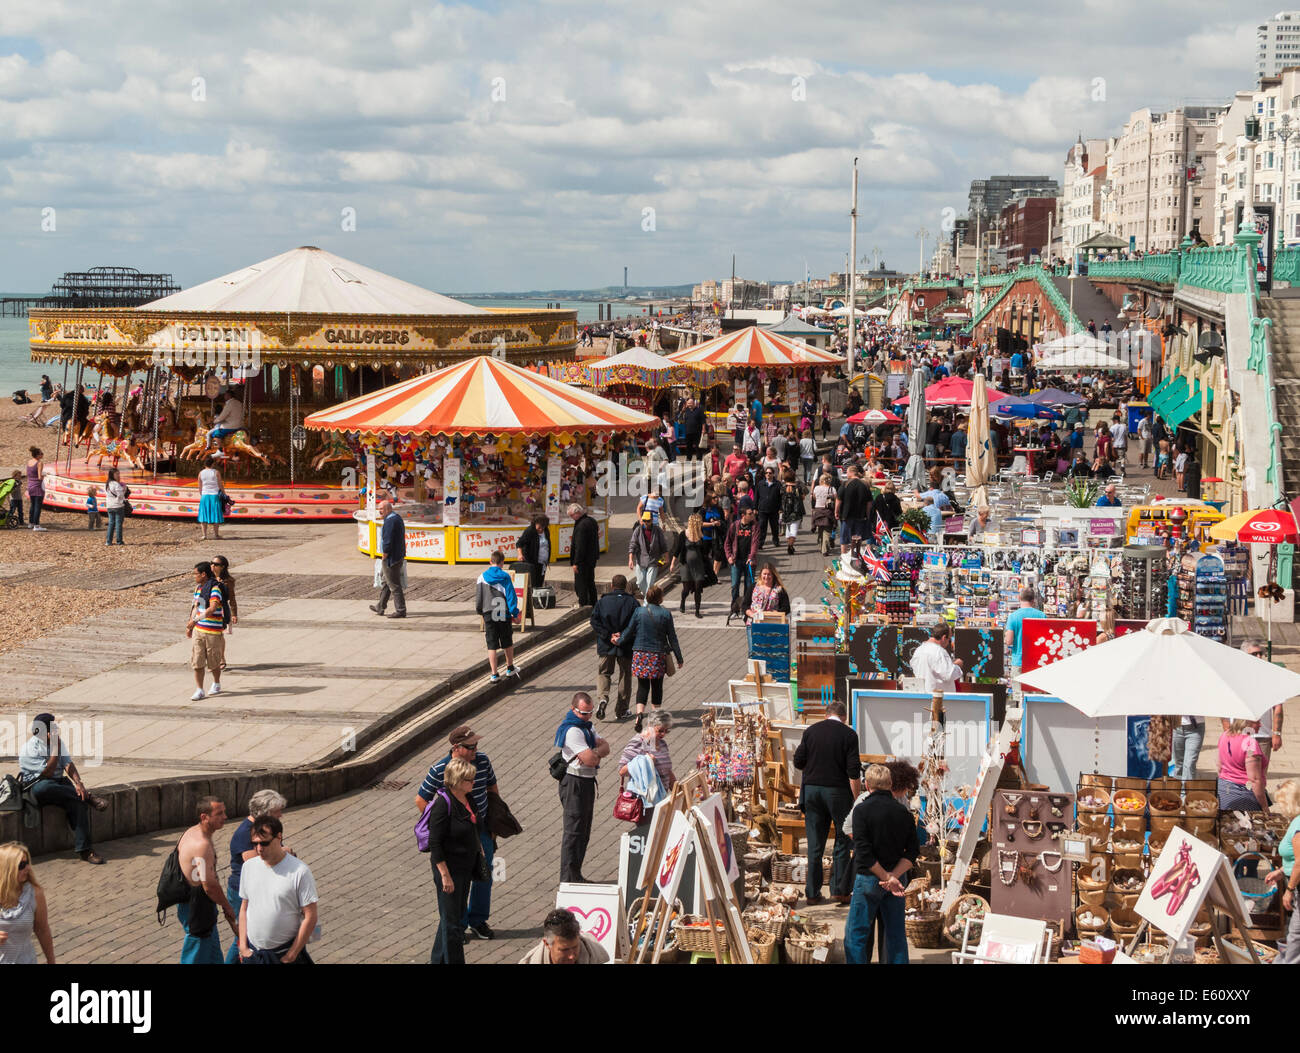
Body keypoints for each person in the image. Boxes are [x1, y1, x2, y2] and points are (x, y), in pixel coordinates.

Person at [416, 726, 500, 941]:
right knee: (459, 882)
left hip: (479, 829)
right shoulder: (439, 769)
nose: (475, 750)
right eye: (471, 747)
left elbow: (492, 789)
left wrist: (491, 823)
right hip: (455, 838)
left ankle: (478, 920)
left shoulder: (482, 761)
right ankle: (458, 926)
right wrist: (443, 826)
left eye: (476, 745)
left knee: (483, 874)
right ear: (456, 748)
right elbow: (421, 800)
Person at [843, 764, 918, 965]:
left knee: (856, 935)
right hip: (896, 881)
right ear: (890, 784)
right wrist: (893, 876)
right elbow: (913, 852)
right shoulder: (904, 813)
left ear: (867, 785)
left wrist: (886, 877)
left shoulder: (861, 810)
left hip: (869, 878)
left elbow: (864, 853)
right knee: (896, 936)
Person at [793, 700, 862, 905]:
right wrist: (857, 799)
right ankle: (839, 890)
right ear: (844, 718)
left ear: (826, 715)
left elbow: (798, 761)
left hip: (812, 791)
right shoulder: (849, 735)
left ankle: (812, 893)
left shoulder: (811, 731)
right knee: (842, 839)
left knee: (815, 843)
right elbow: (853, 771)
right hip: (837, 793)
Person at [17, 715, 105, 864]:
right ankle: (90, 797)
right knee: (46, 787)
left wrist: (79, 783)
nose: (57, 729)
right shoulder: (29, 748)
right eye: (53, 727)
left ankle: (85, 851)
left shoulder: (57, 742)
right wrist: (55, 747)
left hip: (60, 786)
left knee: (78, 802)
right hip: (37, 787)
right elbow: (47, 773)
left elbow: (68, 764)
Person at [236, 815, 318, 964]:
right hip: (254, 955)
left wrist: (292, 954)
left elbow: (310, 915)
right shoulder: (248, 867)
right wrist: (243, 945)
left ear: (279, 837)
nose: (259, 849)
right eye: (255, 844)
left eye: (265, 843)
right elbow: (244, 908)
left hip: (283, 956)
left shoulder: (299, 871)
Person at [424, 756, 482, 964]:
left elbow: (475, 825)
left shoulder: (468, 798)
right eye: (469, 780)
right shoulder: (443, 805)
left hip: (465, 869)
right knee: (453, 925)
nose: (473, 783)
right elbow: (435, 843)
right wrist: (445, 876)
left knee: (452, 918)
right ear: (457, 781)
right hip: (448, 871)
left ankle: (436, 960)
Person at [223, 788, 288, 964]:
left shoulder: (265, 829)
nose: (281, 815)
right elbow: (253, 862)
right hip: (242, 892)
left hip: (259, 890)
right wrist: (284, 852)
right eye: (277, 812)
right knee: (244, 936)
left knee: (248, 936)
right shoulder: (245, 833)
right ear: (265, 812)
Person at [555, 693, 609, 883]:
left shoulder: (588, 726)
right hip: (574, 783)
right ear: (573, 709)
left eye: (590, 712)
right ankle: (568, 878)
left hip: (586, 782)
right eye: (583, 713)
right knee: (573, 831)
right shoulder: (573, 731)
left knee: (584, 830)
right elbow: (592, 760)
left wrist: (594, 752)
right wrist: (595, 753)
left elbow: (605, 748)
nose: (587, 717)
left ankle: (575, 874)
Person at [176, 796, 238, 964]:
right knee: (196, 953)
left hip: (198, 904)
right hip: (197, 906)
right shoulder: (202, 844)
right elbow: (209, 885)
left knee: (212, 955)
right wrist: (227, 905)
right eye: (219, 813)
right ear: (204, 817)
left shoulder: (193, 831)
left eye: (224, 812)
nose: (225, 817)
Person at [622, 585, 683, 733]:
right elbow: (672, 638)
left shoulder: (639, 611)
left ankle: (638, 715)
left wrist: (619, 640)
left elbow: (629, 631)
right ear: (660, 598)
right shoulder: (665, 614)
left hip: (640, 654)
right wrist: (679, 657)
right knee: (657, 687)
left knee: (642, 686)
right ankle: (654, 720)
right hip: (657, 655)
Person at [1224, 641, 1285, 761]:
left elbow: (1278, 707)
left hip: (1262, 736)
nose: (1258, 657)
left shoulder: (1270, 677)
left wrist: (1277, 733)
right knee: (1239, 773)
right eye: (1254, 654)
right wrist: (1227, 730)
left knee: (1259, 776)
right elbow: (1224, 704)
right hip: (1238, 734)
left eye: (1260, 653)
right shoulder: (1232, 677)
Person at [590, 574, 637, 720]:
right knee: (625, 675)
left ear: (612, 586)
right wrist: (622, 636)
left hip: (606, 645)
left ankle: (603, 698)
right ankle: (621, 710)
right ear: (626, 586)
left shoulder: (603, 601)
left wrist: (609, 635)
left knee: (604, 673)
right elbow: (636, 624)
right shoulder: (632, 602)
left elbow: (594, 621)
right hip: (625, 645)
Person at [0, 842, 56, 964]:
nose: (28, 868)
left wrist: (51, 960)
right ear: (7, 868)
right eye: (21, 865)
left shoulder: (34, 894)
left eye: (27, 863)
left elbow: (42, 930)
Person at [1266, 779, 1300, 964]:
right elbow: (1294, 859)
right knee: (1294, 933)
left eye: (1281, 803)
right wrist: (1281, 871)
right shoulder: (1296, 822)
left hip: (1298, 886)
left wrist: (1289, 890)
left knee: (1295, 935)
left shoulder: (1298, 827)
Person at [475, 549, 519, 683]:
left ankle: (494, 674)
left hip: (488, 612)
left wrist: (480, 611)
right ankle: (510, 667)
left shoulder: (481, 577)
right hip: (502, 611)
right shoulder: (505, 577)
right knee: (506, 640)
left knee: (492, 644)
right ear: (502, 563)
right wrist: (515, 613)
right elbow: (511, 596)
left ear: (490, 562)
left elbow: (479, 598)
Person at [187, 561, 225, 700]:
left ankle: (216, 682)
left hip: (212, 632)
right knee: (197, 661)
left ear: (203, 574)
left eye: (196, 574)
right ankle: (199, 689)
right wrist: (190, 625)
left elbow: (212, 608)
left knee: (214, 661)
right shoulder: (199, 588)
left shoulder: (215, 588)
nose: (194, 576)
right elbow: (197, 607)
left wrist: (195, 621)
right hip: (199, 630)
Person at [519, 908, 610, 964]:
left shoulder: (593, 954)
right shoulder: (531, 961)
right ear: (547, 944)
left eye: (575, 947)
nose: (571, 956)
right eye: (564, 950)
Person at [618, 709, 676, 797]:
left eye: (666, 731)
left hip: (660, 797)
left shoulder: (662, 744)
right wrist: (646, 761)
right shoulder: (638, 742)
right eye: (660, 731)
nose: (663, 734)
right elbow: (622, 771)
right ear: (650, 726)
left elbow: (667, 771)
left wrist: (678, 790)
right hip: (642, 800)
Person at [1217, 719, 1269, 811]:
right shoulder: (1250, 743)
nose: (1260, 725)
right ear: (1247, 723)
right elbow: (1255, 780)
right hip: (1243, 797)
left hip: (1223, 792)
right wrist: (1265, 807)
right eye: (1257, 722)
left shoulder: (1225, 735)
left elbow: (1219, 766)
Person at [368, 499, 407, 618]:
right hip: (397, 555)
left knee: (394, 584)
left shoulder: (390, 521)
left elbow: (388, 540)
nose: (380, 511)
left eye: (382, 509)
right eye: (379, 509)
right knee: (386, 582)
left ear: (388, 509)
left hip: (391, 558)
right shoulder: (396, 517)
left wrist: (384, 555)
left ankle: (401, 610)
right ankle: (380, 606)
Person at [670, 513, 711, 619]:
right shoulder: (683, 534)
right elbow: (678, 550)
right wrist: (672, 563)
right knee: (686, 589)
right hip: (686, 566)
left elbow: (704, 552)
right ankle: (683, 601)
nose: (701, 525)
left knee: (698, 588)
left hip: (699, 566)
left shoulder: (700, 535)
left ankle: (697, 611)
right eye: (699, 523)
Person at [724, 506, 760, 624]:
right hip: (736, 561)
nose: (752, 515)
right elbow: (727, 543)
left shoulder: (755, 526)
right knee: (735, 585)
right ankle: (734, 608)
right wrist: (729, 556)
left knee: (749, 586)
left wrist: (751, 557)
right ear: (743, 515)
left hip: (749, 562)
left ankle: (746, 610)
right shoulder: (734, 526)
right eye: (750, 513)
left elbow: (755, 543)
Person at [910, 623, 964, 696]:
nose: (948, 643)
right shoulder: (939, 652)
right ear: (944, 637)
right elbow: (949, 675)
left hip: (923, 695)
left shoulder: (919, 650)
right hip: (938, 698)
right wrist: (957, 665)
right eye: (949, 639)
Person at [628, 510, 668, 599]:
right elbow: (632, 544)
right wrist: (630, 559)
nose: (646, 523)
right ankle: (650, 598)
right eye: (644, 520)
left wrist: (666, 557)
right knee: (641, 582)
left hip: (653, 561)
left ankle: (647, 603)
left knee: (650, 584)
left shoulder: (657, 530)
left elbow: (663, 545)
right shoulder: (638, 530)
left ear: (652, 520)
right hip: (641, 561)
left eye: (648, 521)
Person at [1003, 586, 1043, 675]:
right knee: (1034, 689)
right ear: (1033, 600)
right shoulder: (1041, 616)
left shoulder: (1013, 616)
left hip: (1018, 661)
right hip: (1037, 661)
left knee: (1018, 689)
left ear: (1019, 598)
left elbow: (1008, 641)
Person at [836, 463, 873, 555]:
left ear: (851, 473)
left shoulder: (845, 484)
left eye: (847, 472)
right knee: (857, 537)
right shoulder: (865, 485)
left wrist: (836, 511)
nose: (846, 474)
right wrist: (867, 514)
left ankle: (843, 556)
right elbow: (869, 502)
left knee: (844, 538)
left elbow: (838, 499)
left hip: (846, 515)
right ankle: (855, 555)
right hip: (860, 515)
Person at [568, 503, 599, 607]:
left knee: (581, 583)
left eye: (572, 515)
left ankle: (583, 602)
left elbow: (580, 546)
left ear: (577, 513)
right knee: (590, 581)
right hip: (592, 558)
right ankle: (593, 601)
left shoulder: (581, 525)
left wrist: (576, 562)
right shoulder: (591, 521)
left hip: (583, 560)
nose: (572, 518)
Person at [211, 555, 237, 670]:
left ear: (222, 567)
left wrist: (234, 613)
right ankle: (212, 658)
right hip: (208, 608)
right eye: (211, 563)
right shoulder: (207, 577)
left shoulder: (228, 581)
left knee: (219, 635)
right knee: (209, 634)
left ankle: (221, 658)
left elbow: (232, 598)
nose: (212, 566)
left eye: (216, 564)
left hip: (221, 610)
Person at [515, 514, 551, 589]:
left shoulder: (546, 531)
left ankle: (538, 598)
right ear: (535, 523)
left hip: (543, 562)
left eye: (543, 527)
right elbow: (519, 543)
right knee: (533, 583)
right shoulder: (530, 531)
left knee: (540, 582)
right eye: (539, 527)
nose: (541, 529)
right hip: (532, 561)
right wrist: (520, 554)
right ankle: (532, 599)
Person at [1171, 713, 1206, 781]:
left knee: (1189, 764)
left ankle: (1185, 791)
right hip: (1177, 726)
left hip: (1195, 727)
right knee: (1178, 764)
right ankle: (1177, 789)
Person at [780, 468, 806, 555]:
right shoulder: (798, 487)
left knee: (788, 530)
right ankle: (790, 546)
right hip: (796, 512)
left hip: (785, 512)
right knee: (794, 530)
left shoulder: (782, 487)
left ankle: (790, 544)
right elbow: (805, 494)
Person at [197, 455, 224, 540]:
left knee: (203, 515)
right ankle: (216, 535)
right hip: (215, 495)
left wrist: (202, 494)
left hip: (205, 496)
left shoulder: (201, 473)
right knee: (215, 515)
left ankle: (204, 535)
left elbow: (200, 486)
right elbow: (220, 485)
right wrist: (224, 493)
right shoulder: (216, 472)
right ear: (212, 464)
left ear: (205, 464)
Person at [812, 472, 837, 557]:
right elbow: (836, 498)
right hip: (828, 511)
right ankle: (824, 549)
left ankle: (822, 546)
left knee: (820, 529)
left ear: (821, 480)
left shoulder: (816, 488)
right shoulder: (832, 489)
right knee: (827, 530)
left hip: (818, 510)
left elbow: (814, 497)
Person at [103, 468, 127, 545]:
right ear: (112, 475)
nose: (118, 475)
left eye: (119, 474)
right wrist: (124, 489)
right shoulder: (116, 484)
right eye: (117, 474)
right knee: (118, 524)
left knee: (111, 523)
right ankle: (119, 541)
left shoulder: (107, 484)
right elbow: (120, 495)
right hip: (118, 506)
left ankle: (108, 541)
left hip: (109, 506)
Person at [25, 447, 45, 531]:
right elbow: (40, 477)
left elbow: (28, 474)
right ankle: (36, 525)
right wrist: (46, 475)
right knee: (38, 506)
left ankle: (31, 523)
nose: (42, 454)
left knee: (32, 505)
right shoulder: (39, 463)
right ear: (37, 455)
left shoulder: (29, 462)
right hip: (37, 486)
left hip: (30, 485)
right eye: (41, 453)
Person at [682, 397, 705, 461]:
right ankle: (688, 458)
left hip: (697, 431)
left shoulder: (699, 410)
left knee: (698, 446)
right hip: (688, 431)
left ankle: (699, 458)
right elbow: (682, 419)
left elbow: (703, 420)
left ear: (693, 403)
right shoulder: (686, 410)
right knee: (689, 446)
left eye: (690, 403)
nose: (689, 404)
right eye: (688, 403)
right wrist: (683, 410)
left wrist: (703, 429)